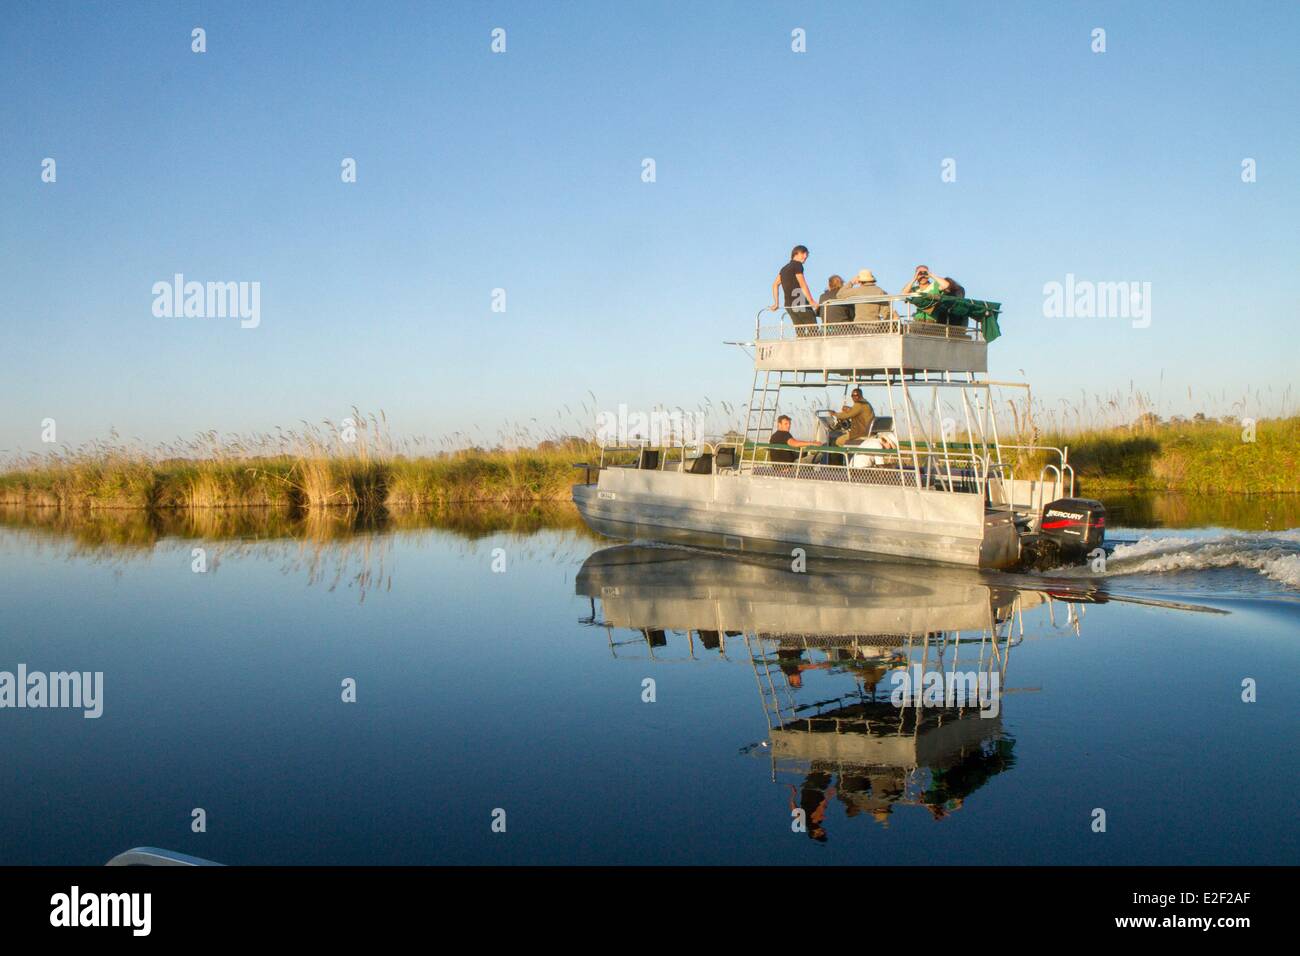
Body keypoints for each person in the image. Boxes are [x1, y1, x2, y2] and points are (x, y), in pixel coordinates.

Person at [770, 245, 819, 337]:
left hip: (788, 305)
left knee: (800, 332)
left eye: (807, 255)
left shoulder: (784, 268)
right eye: (804, 254)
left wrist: (776, 303)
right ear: (796, 253)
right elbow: (802, 284)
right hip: (799, 300)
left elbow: (775, 284)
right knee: (813, 330)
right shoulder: (797, 265)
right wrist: (811, 301)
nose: (805, 256)